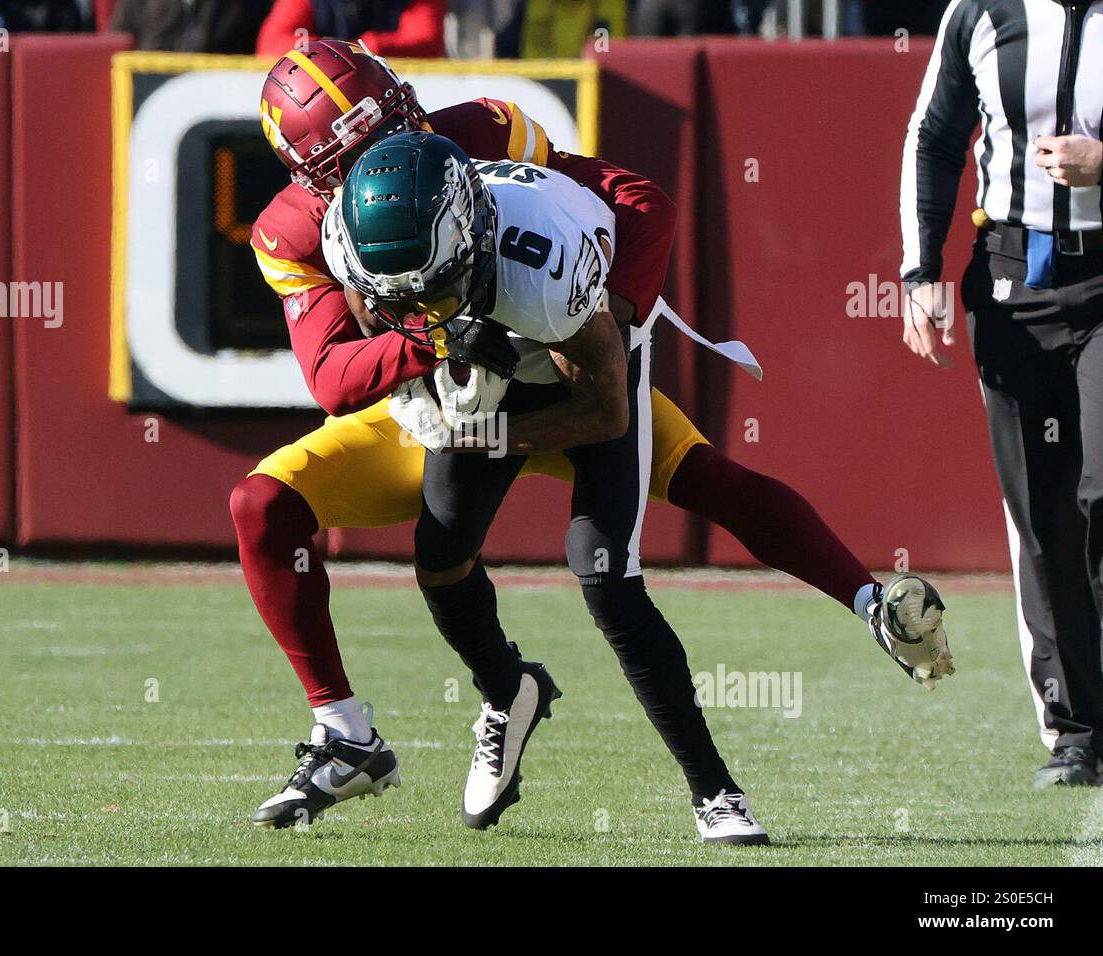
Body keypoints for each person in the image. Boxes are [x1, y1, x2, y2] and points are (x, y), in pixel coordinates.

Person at [234, 39, 953, 832]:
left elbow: (635, 209)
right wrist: (441, 345)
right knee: (378, 541)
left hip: (570, 359)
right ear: (319, 180)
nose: (395, 164)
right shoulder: (302, 233)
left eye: (394, 129)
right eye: (364, 154)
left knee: (639, 539)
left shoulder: (494, 154)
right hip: (462, 396)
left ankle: (785, 704)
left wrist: (608, 317)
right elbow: (334, 380)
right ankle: (413, 718)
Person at [900, 0, 1102, 787]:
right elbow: (935, 136)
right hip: (1016, 284)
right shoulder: (982, 12)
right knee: (1044, 517)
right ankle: (1078, 728)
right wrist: (919, 273)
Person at [255, 0, 445, 56]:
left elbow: (427, 42)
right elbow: (273, 44)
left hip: (393, 102)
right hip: (324, 99)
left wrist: (357, 49)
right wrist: (345, 49)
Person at [108, 0, 270, 53]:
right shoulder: (138, 4)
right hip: (148, 103)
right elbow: (114, 47)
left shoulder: (245, 5)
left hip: (218, 108)